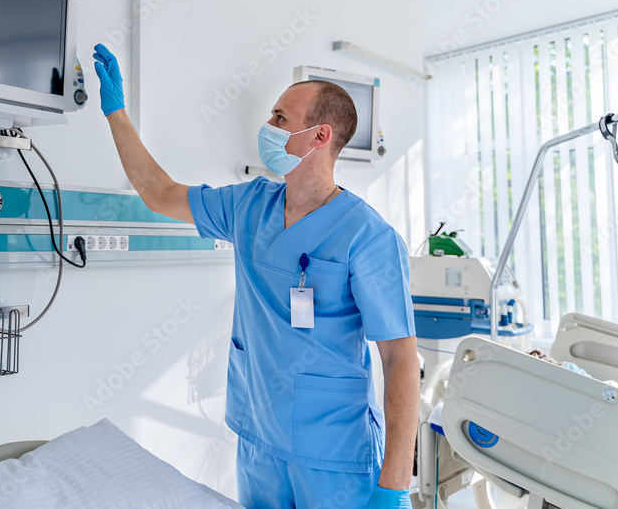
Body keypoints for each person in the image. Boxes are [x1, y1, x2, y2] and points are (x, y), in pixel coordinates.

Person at [92, 43, 418, 508]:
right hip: (258, 441)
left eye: (281, 119)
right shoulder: (249, 205)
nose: (268, 128)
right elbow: (158, 192)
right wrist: (117, 113)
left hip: (334, 455)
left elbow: (400, 359)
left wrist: (394, 486)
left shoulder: (368, 236)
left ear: (319, 136)